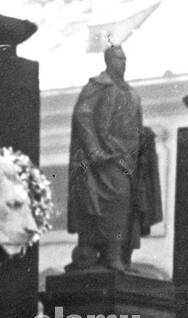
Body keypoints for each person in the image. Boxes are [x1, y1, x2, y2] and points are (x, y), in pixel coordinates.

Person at [66, 43, 162, 271]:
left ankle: (121, 254)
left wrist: (144, 136)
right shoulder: (98, 86)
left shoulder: (132, 94)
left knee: (130, 205)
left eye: (125, 59)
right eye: (119, 59)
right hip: (106, 157)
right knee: (116, 200)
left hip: (128, 157)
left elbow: (132, 124)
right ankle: (112, 255)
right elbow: (83, 115)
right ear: (108, 61)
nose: (123, 63)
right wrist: (93, 149)